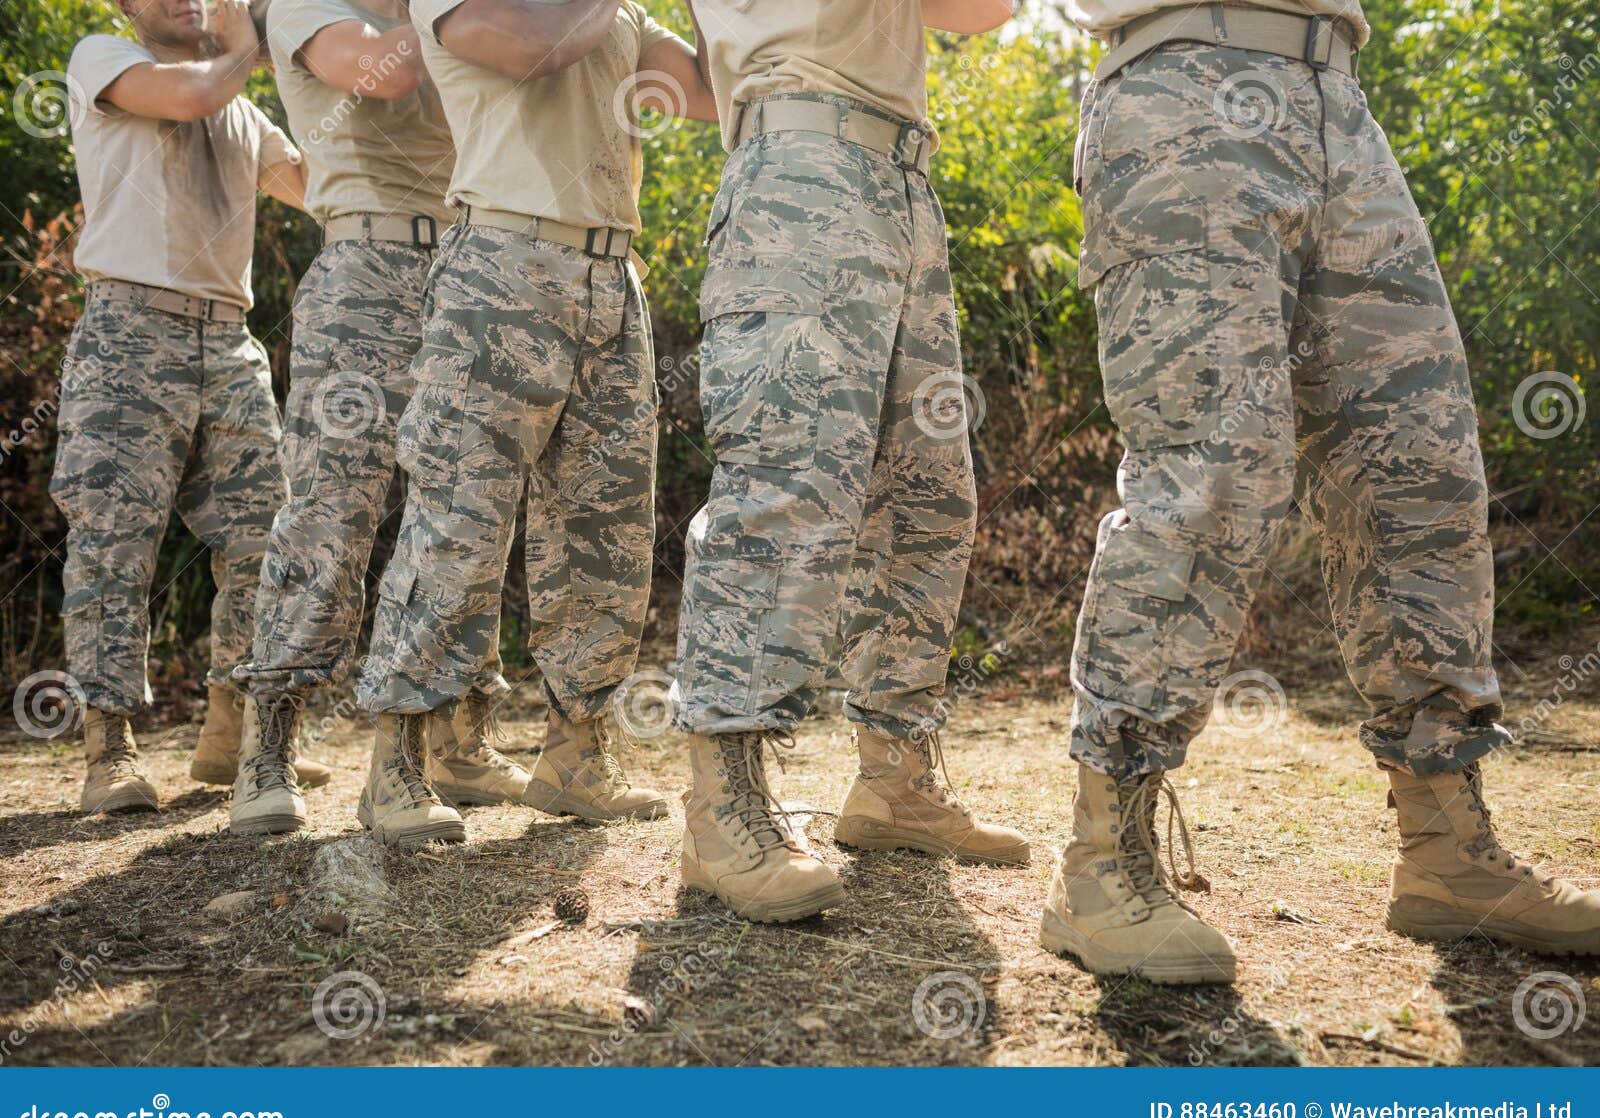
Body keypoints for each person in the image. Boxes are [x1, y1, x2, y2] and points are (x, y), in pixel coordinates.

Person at [1042, 0, 1600, 983]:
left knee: (1419, 470)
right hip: (1182, 85)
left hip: (1338, 100)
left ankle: (1445, 846)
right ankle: (1103, 854)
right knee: (1215, 472)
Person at [670, 0, 1026, 925]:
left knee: (927, 501)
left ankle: (894, 782)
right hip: (799, 174)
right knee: (786, 491)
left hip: (901, 182)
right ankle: (723, 806)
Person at [352, 0, 716, 848]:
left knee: (607, 527)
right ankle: (399, 760)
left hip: (611, 273)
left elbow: (709, 89)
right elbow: (531, 49)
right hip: (500, 269)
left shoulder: (618, 17)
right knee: (459, 522)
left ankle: (576, 756)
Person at [226, 0, 523, 837]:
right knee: (330, 512)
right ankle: (267, 752)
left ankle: (439, 750)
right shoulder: (305, 6)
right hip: (365, 268)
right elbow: (376, 70)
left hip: (473, 262)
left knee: (465, 512)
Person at [54, 0, 306, 815]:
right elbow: (192, 92)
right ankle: (110, 749)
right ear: (125, 5)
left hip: (227, 339)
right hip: (129, 331)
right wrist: (244, 47)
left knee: (264, 539)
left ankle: (230, 729)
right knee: (113, 545)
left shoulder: (242, 108)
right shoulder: (104, 58)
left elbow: (312, 186)